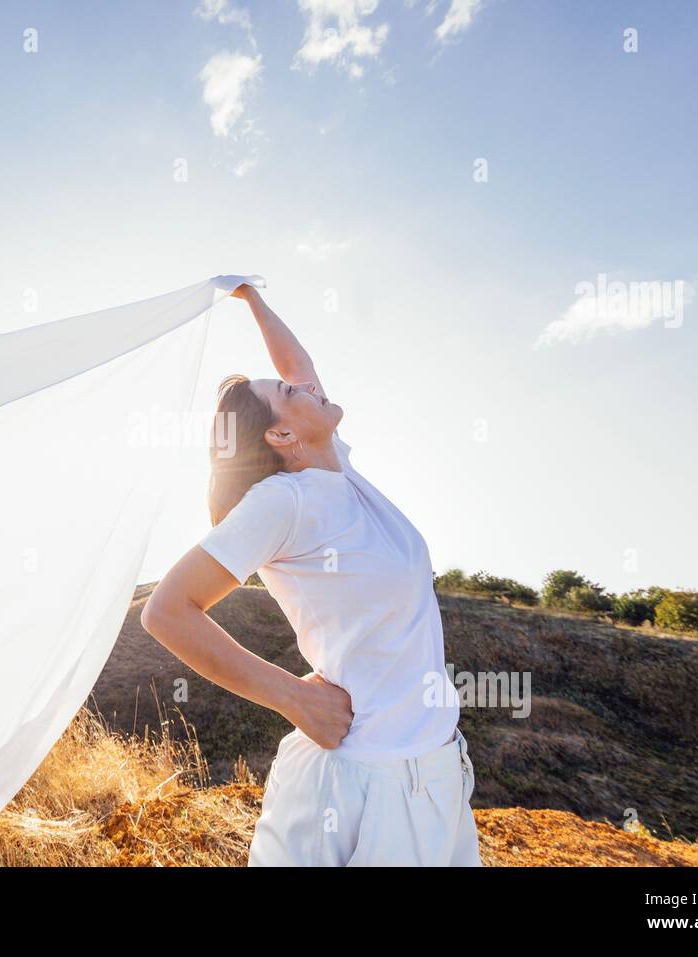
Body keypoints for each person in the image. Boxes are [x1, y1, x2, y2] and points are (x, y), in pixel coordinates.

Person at [140, 283, 481, 866]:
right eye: (290, 394)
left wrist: (251, 300)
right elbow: (166, 611)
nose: (307, 387)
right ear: (281, 436)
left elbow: (298, 367)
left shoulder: (336, 467)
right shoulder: (284, 501)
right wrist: (292, 696)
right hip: (362, 788)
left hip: (437, 773)